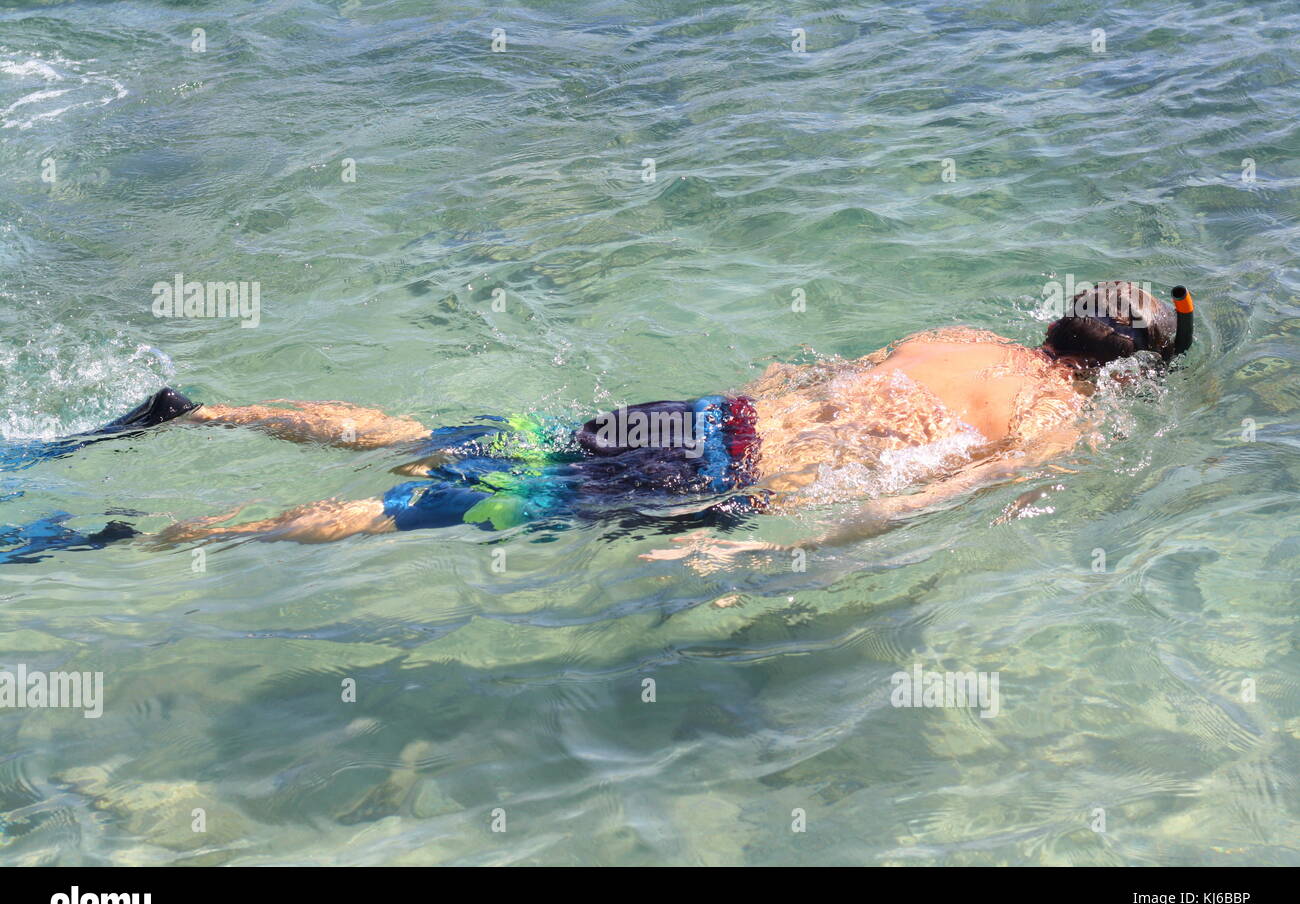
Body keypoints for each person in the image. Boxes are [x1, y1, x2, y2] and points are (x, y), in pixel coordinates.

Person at [1, 282, 1194, 564]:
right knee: (423, 503)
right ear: (1118, 371)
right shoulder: (1052, 422)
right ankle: (145, 540)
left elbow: (809, 366)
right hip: (719, 470)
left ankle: (197, 409)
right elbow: (915, 498)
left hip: (702, 413)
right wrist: (754, 545)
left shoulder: (961, 341)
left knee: (437, 431)